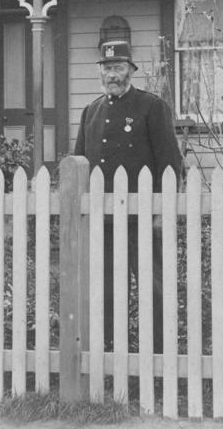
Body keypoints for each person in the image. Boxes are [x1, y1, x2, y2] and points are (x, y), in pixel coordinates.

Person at [73, 39, 182, 353]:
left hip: (143, 219)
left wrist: (162, 212)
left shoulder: (152, 107)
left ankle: (159, 353)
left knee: (152, 287)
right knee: (106, 288)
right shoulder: (90, 112)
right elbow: (81, 162)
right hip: (103, 221)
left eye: (118, 68)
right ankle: (109, 351)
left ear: (131, 71)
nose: (112, 75)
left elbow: (169, 164)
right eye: (107, 68)